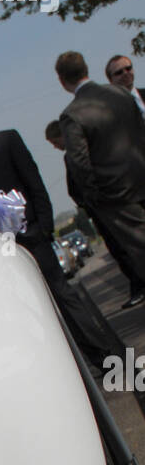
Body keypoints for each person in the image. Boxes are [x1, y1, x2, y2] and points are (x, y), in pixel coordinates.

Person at [0, 100, 121, 361]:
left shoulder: (6, 141)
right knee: (30, 310)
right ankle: (72, 362)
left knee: (63, 295)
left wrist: (43, 228)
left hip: (31, 236)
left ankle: (105, 355)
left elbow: (34, 182)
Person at [55, 51, 145, 291]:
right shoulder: (120, 93)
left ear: (62, 81)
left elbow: (79, 163)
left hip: (116, 197)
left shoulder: (72, 115)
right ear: (86, 68)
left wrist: (95, 197)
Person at [45, 119, 143, 309]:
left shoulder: (85, 152)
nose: (56, 147)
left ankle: (139, 285)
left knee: (123, 247)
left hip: (107, 207)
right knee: (117, 248)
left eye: (55, 142)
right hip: (96, 210)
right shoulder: (70, 157)